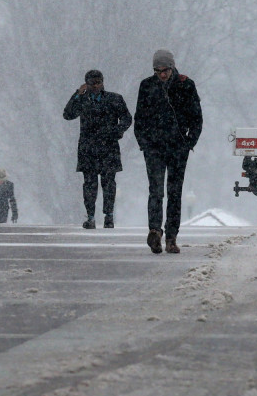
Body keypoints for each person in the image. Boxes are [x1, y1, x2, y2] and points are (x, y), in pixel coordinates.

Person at [134, 49, 202, 253]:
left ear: (172, 67)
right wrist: (144, 142)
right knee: (155, 190)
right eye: (158, 70)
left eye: (165, 70)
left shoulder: (186, 85)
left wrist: (189, 142)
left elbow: (196, 118)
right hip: (154, 147)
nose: (162, 74)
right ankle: (155, 231)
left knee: (174, 192)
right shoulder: (147, 86)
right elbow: (140, 117)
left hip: (177, 147)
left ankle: (171, 236)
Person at [63, 69, 132, 229]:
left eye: (98, 82)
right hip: (88, 148)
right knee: (89, 184)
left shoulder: (114, 99)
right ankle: (91, 217)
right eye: (92, 83)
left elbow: (127, 118)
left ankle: (109, 216)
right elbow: (67, 114)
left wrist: (117, 131)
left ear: (103, 82)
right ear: (86, 84)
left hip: (108, 146)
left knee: (109, 184)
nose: (96, 86)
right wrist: (77, 94)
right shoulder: (82, 99)